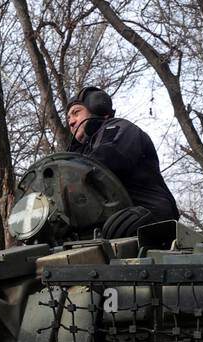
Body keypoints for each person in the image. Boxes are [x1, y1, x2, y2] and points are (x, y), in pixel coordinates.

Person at [67, 86, 179, 238]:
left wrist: (69, 178)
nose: (71, 122)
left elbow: (107, 160)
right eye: (68, 118)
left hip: (151, 220)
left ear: (97, 109)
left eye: (76, 113)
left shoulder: (117, 128)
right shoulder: (79, 154)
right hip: (112, 228)